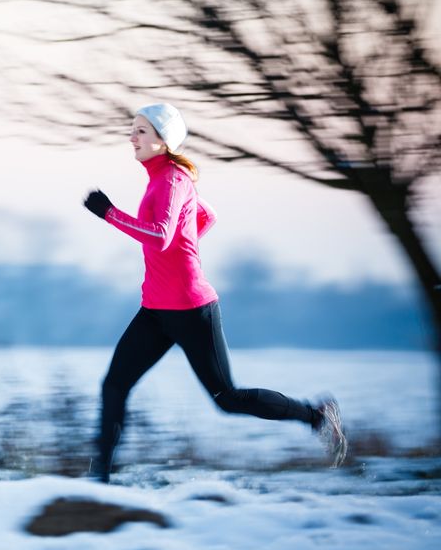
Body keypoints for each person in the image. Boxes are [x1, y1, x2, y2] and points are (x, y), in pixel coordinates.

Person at [83, 102, 347, 483]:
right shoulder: (161, 178)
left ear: (163, 140)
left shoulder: (173, 179)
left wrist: (110, 213)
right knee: (114, 385)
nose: (132, 137)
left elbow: (159, 236)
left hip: (191, 310)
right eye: (133, 129)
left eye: (141, 131)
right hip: (156, 309)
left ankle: (318, 415)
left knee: (227, 398)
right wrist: (180, 253)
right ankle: (99, 482)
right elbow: (205, 217)